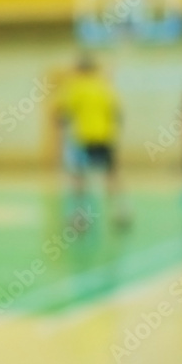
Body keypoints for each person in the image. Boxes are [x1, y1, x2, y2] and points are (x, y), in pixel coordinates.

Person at [57, 54, 130, 231]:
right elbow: (118, 113)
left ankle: (79, 218)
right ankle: (121, 212)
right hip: (105, 137)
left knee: (79, 178)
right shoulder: (104, 86)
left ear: (80, 70)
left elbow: (63, 113)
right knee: (111, 175)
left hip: (82, 139)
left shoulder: (75, 87)